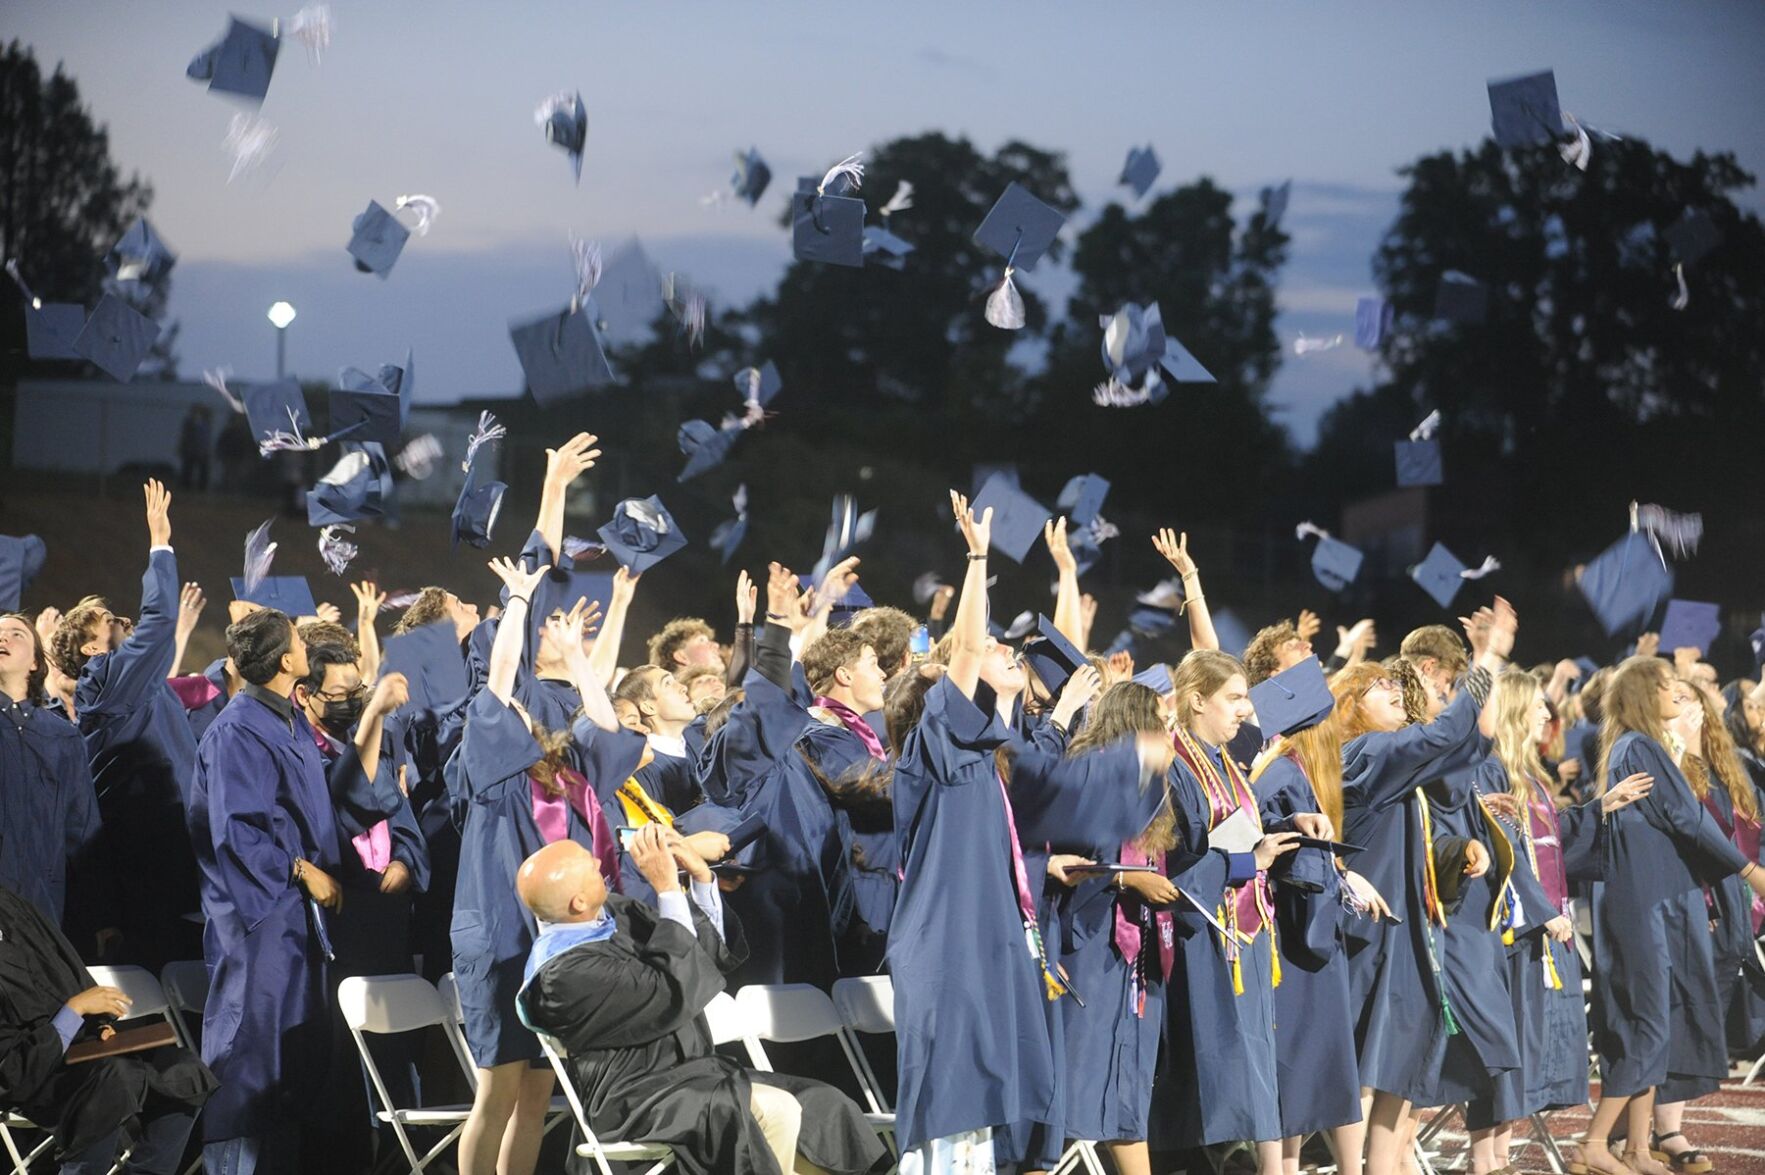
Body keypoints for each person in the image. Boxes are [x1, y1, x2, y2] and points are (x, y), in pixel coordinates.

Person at [884, 492, 1168, 1173]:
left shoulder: (997, 758)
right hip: (949, 951)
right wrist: (978, 559)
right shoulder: (939, 748)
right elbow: (964, 653)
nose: (1005, 653)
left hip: (1004, 950)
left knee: (1020, 1117)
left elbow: (1070, 790)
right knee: (958, 1117)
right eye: (988, 651)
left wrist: (1136, 764)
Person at [515, 833, 890, 1175]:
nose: (599, 863)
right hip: (637, 1096)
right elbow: (672, 990)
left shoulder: (618, 914)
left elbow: (698, 959)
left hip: (694, 1075)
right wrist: (665, 890)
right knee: (775, 1112)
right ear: (578, 901)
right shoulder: (563, 973)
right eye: (588, 865)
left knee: (825, 1105)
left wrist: (699, 880)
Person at [450, 559, 642, 1175]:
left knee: (538, 1093)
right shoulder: (493, 765)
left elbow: (607, 718)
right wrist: (515, 601)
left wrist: (579, 657)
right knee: (498, 1089)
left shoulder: (574, 776)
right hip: (503, 937)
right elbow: (500, 679)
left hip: (561, 949)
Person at [1334, 601, 1512, 1175]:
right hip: (1372, 931)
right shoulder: (1363, 754)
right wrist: (1485, 658)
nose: (1396, 694)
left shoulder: (1396, 762)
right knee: (1368, 1065)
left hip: (1409, 928)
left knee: (1401, 1064)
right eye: (1380, 689)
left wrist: (1494, 662)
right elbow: (1446, 733)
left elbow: (1473, 742)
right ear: (1349, 708)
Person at [1579, 657, 1765, 1175]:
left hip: (1658, 898)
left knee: (1657, 1024)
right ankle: (1596, 1143)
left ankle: (1639, 1147)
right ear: (1643, 694)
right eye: (1666, 686)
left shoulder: (1641, 746)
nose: (1676, 693)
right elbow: (1684, 817)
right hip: (1643, 902)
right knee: (1649, 1025)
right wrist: (1748, 869)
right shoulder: (1637, 746)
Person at [1470, 672, 1651, 1175]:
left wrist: (1598, 808)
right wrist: (1543, 912)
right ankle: (1485, 1160)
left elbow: (1549, 841)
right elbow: (1508, 854)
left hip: (1542, 932)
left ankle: (1499, 1157)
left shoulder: (1527, 776)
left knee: (1526, 1046)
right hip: (1512, 933)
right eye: (1539, 707)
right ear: (1513, 710)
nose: (1550, 717)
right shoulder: (1486, 772)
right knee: (1505, 1046)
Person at [189, 607, 343, 1173]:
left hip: (293, 925)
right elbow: (238, 832)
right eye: (299, 639)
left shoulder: (285, 719)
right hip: (258, 924)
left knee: (289, 1071)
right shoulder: (238, 730)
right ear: (286, 661)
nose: (305, 642)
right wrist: (303, 872)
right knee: (251, 1065)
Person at [1151, 649, 1304, 1175]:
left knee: (1249, 1065)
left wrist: (1288, 821)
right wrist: (1247, 859)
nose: (1245, 710)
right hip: (1203, 942)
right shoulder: (1172, 767)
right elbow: (1170, 869)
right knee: (1210, 1083)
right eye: (1234, 698)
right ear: (1197, 701)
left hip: (1245, 936)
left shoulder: (1221, 760)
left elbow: (1243, 824)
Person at [48, 481, 201, 971]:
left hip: (170, 848)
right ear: (92, 650)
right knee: (161, 975)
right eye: (108, 621)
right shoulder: (106, 679)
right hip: (152, 857)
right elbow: (158, 621)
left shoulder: (132, 685)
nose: (121, 619)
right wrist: (160, 541)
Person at [1250, 678, 1387, 1175]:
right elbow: (1283, 857)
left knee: (1306, 1075)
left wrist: (1345, 876)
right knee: (1298, 1068)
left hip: (1303, 936)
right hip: (1295, 945)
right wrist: (1335, 879)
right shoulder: (1284, 775)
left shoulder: (1287, 770)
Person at [0, 881, 215, 1175]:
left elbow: (64, 972)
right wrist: (74, 1011)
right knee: (115, 1081)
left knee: (185, 1069)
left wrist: (97, 1022)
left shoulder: (11, 908)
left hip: (79, 1053)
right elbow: (10, 1070)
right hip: (29, 1073)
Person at [1648, 681, 1763, 1172]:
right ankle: (1658, 1129)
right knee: (1673, 1014)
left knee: (1701, 1014)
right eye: (1675, 701)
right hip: (1688, 905)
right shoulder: (1657, 763)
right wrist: (1676, 750)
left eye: (1690, 699)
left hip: (1738, 909)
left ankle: (1660, 1125)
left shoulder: (1734, 768)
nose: (1686, 709)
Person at [0, 612, 108, 936]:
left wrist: (103, 915)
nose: (2, 638)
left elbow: (84, 831)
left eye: (16, 634)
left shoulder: (62, 737)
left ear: (35, 662)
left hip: (44, 915)